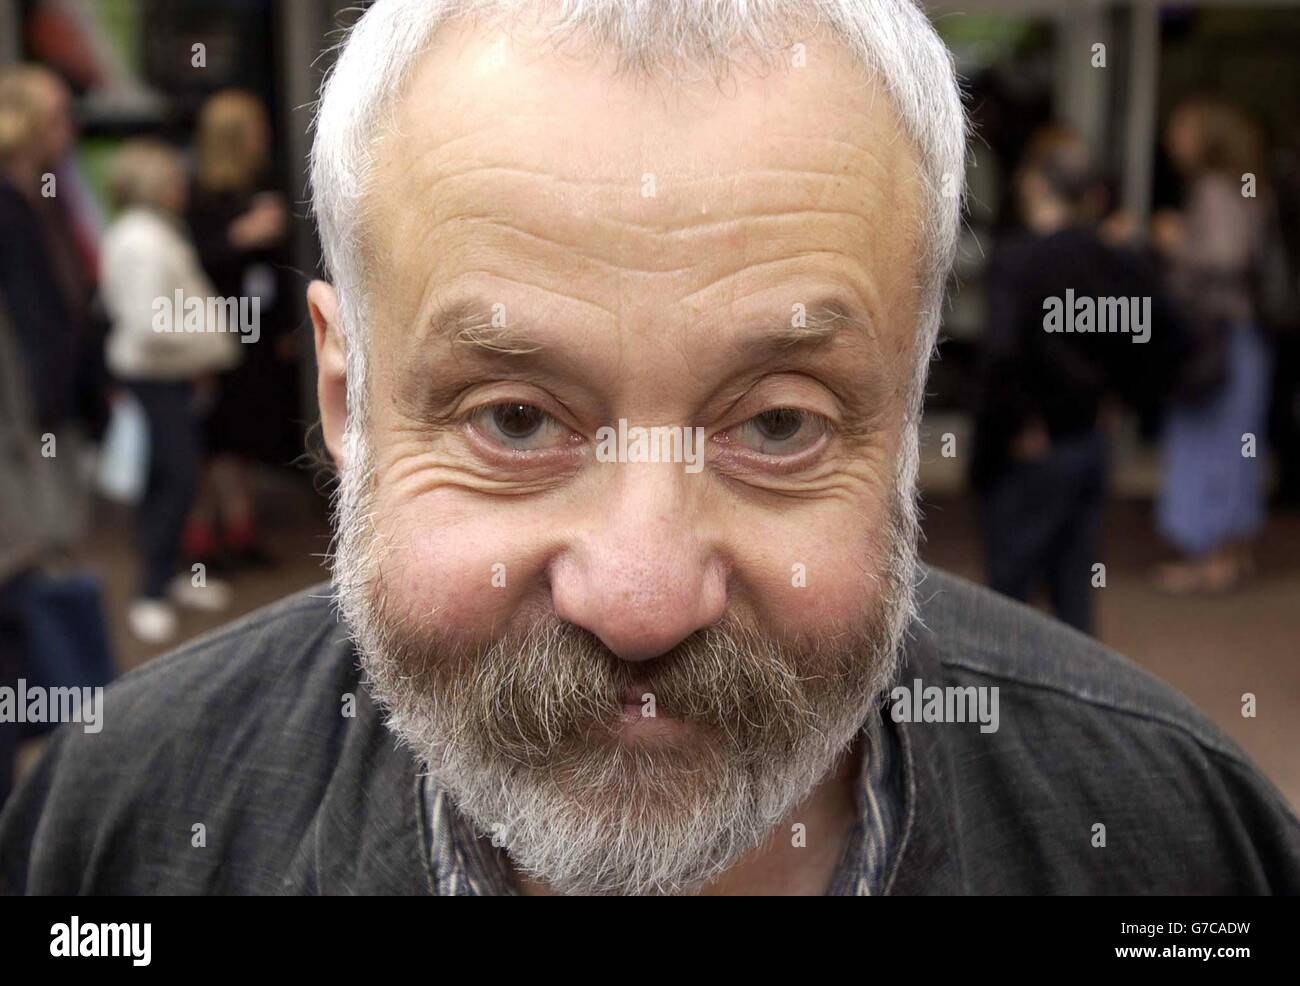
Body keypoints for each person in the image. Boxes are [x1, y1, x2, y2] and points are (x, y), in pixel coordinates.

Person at [2, 0, 1297, 896]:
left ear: (904, 417)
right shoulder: (114, 826)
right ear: (343, 397)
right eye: (514, 418)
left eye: (779, 423)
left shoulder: (1177, 841)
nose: (640, 598)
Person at [970, 127, 1178, 634]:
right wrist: (1120, 398)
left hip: (1032, 446)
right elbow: (1163, 332)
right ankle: (1074, 706)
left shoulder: (1019, 259)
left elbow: (1001, 352)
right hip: (1090, 438)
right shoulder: (1111, 258)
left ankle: (1005, 708)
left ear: (1034, 184)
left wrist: (1017, 424)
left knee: (1008, 593)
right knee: (1075, 592)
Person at [98, 141, 238, 644]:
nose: (184, 187)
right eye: (175, 179)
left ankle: (170, 578)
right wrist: (210, 345)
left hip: (167, 377)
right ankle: (149, 594)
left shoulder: (149, 233)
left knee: (173, 478)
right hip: (155, 377)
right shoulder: (142, 241)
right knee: (172, 480)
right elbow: (147, 325)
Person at [1153, 98, 1275, 594]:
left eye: (1182, 129)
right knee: (1237, 446)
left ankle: (1212, 559)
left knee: (1212, 445)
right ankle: (1231, 552)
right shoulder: (1248, 188)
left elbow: (1225, 257)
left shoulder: (1213, 189)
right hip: (1241, 341)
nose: (1172, 139)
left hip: (1218, 341)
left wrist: (1174, 241)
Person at [184, 89, 294, 570]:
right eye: (254, 128)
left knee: (244, 433)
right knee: (215, 439)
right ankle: (204, 537)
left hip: (257, 334)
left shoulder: (263, 186)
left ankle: (239, 529)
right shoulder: (200, 197)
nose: (263, 137)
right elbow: (192, 266)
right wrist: (240, 237)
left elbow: (281, 267)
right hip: (218, 330)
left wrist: (288, 325)